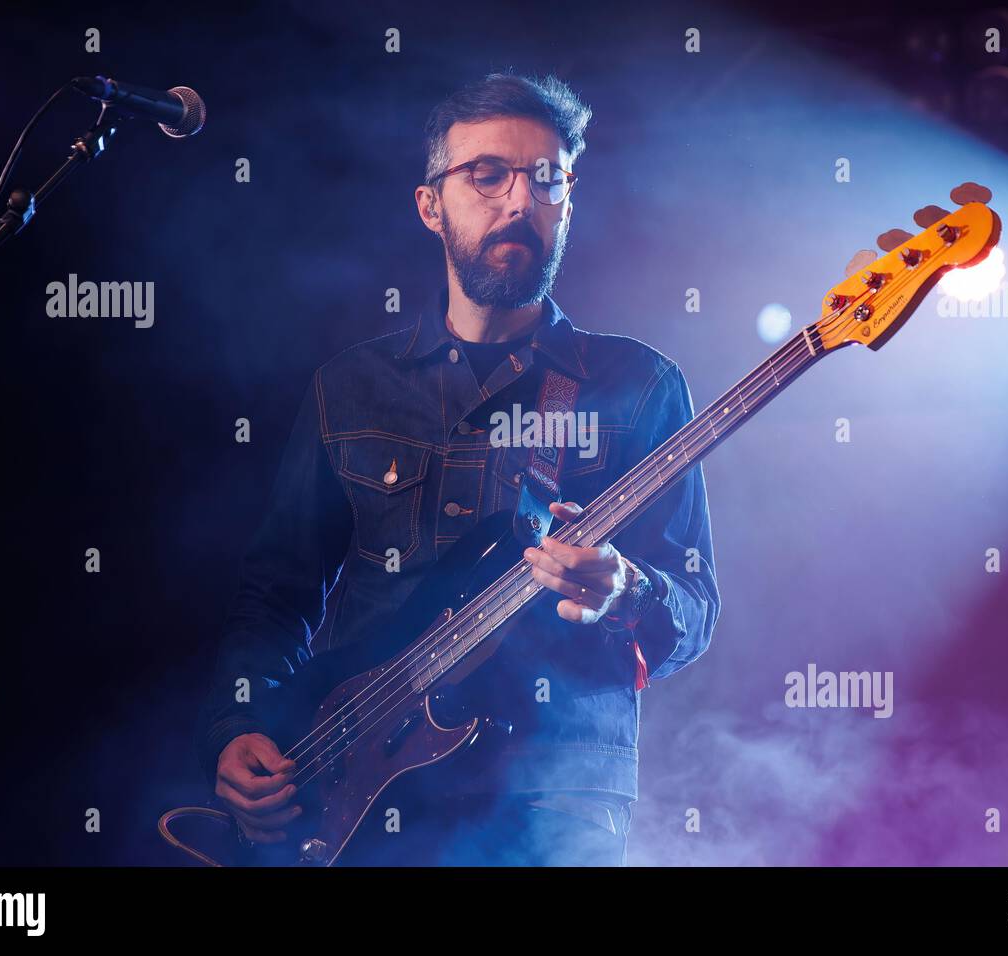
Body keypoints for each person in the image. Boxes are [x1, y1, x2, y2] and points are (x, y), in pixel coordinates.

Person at [196, 71, 720, 865]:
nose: (520, 201)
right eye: (488, 175)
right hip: (355, 792)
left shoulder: (641, 386)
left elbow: (695, 608)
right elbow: (277, 591)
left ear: (568, 200)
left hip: (553, 799)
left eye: (548, 178)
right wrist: (243, 727)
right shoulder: (353, 385)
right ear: (429, 204)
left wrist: (628, 588)